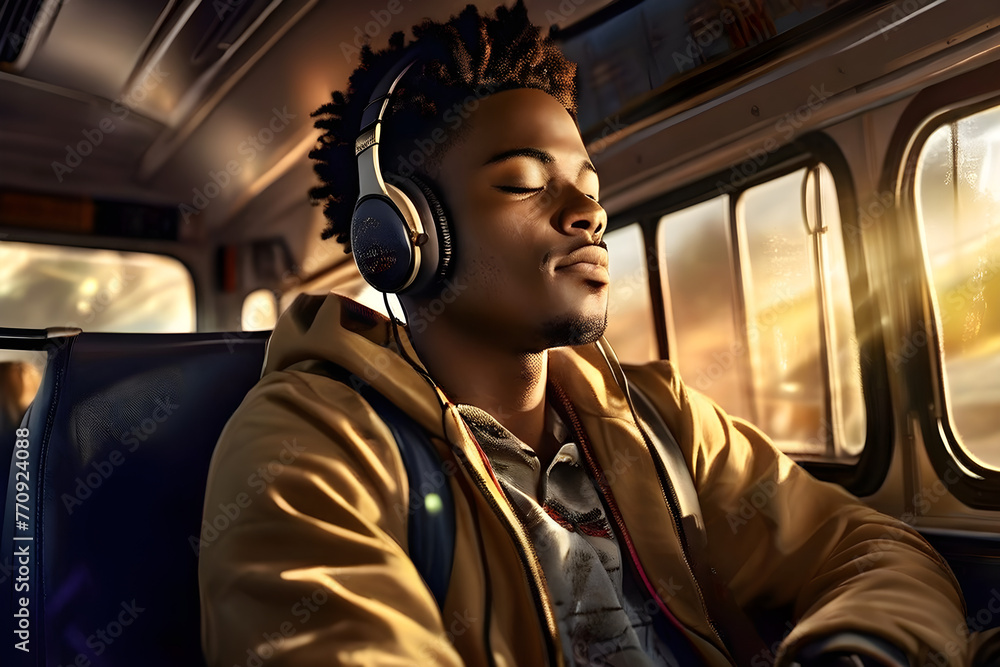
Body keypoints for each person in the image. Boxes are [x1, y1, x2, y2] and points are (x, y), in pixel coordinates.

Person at [198, 3, 969, 665]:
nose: (588, 213)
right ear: (400, 236)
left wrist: (859, 647)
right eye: (525, 184)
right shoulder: (309, 444)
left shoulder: (658, 420)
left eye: (590, 189)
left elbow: (870, 548)